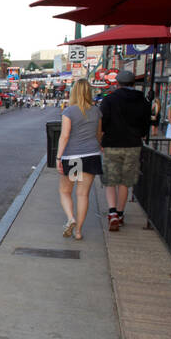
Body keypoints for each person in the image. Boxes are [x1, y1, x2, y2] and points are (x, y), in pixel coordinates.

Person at [99, 68, 151, 231]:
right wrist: (140, 134)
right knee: (125, 182)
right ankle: (120, 214)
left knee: (110, 180)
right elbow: (146, 124)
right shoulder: (143, 101)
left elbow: (103, 122)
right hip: (133, 144)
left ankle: (112, 212)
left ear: (118, 83)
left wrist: (101, 139)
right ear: (133, 83)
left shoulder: (109, 100)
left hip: (112, 143)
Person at [57, 78, 102, 240]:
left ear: (74, 92)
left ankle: (71, 218)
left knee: (65, 191)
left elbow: (65, 136)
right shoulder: (96, 111)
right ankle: (78, 232)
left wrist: (58, 157)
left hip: (73, 157)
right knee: (83, 195)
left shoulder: (69, 111)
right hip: (92, 156)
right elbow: (98, 134)